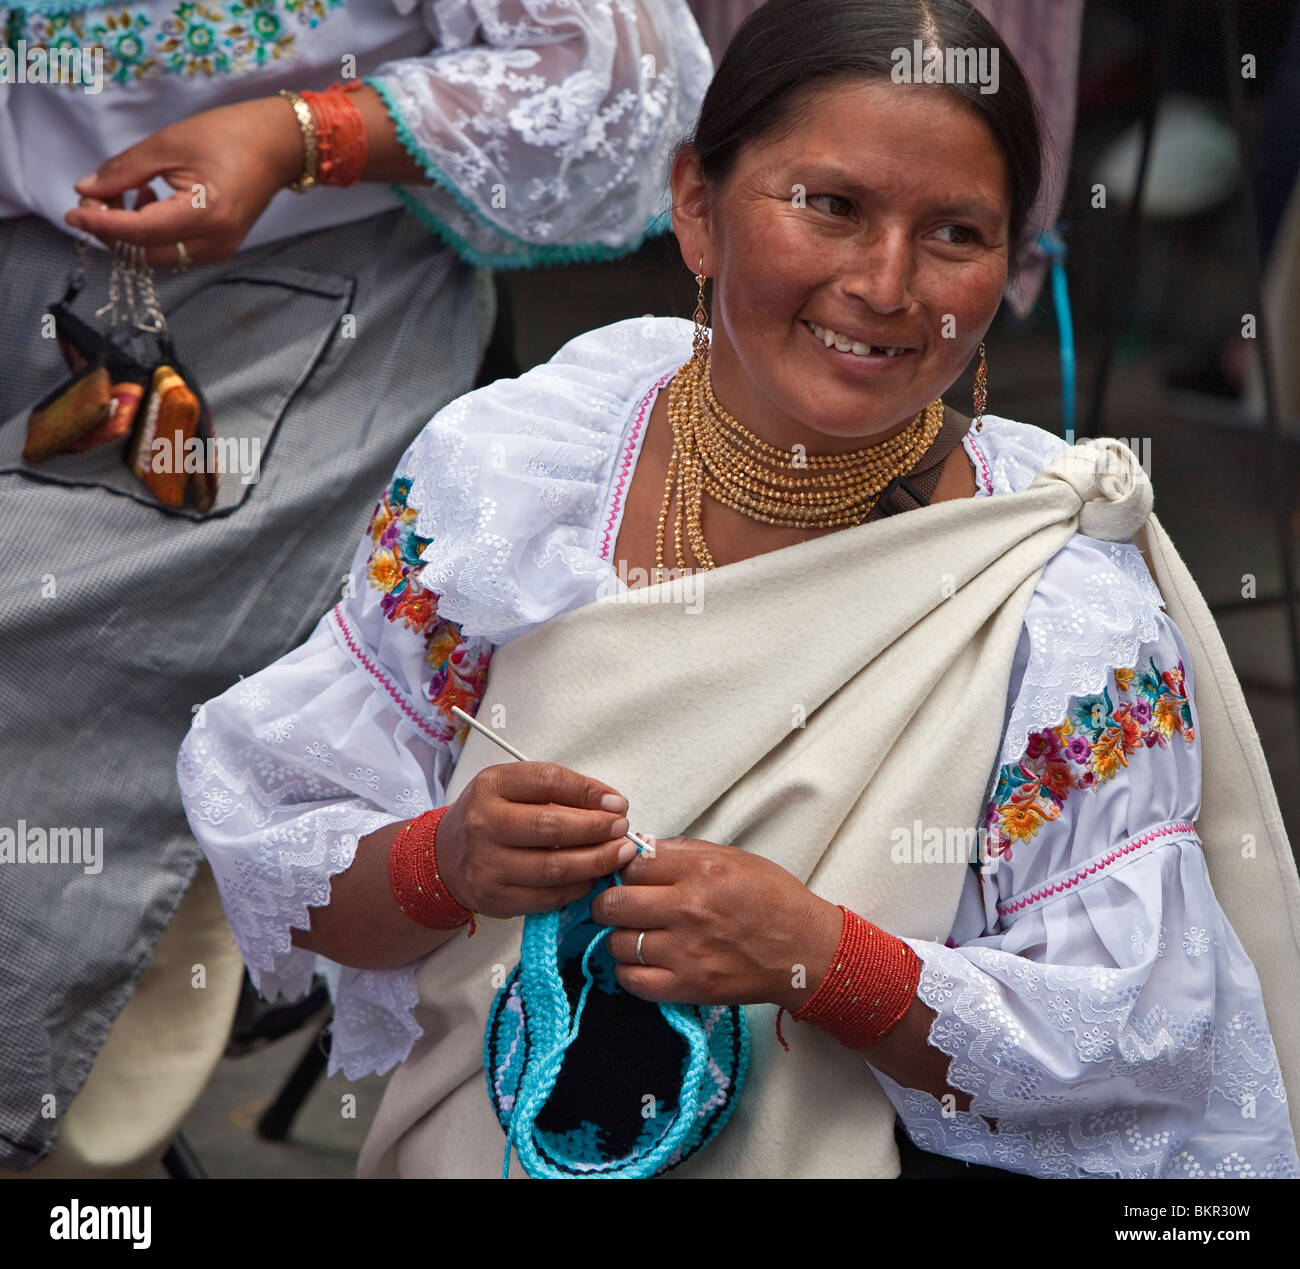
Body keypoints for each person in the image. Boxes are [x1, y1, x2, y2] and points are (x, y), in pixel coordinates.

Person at [179, 0, 1300, 1178]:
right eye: (831, 206)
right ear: (697, 208)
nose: (884, 283)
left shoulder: (1058, 600)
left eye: (955, 233)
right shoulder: (513, 477)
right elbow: (292, 865)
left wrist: (825, 959)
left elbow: (1139, 1042)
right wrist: (444, 864)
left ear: (1013, 262)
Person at [0, 0, 711, 1175]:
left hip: (281, 309)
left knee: (56, 659)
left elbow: (622, 80)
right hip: (40, 277)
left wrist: (298, 135)